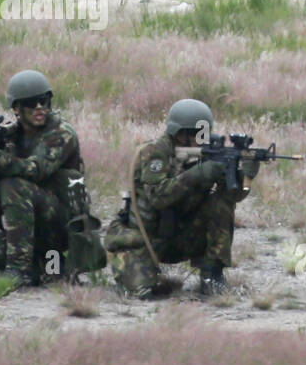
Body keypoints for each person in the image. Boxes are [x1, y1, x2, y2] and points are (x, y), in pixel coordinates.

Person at [0, 70, 103, 287]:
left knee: (14, 185)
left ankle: (19, 270)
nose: (39, 108)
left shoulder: (61, 133)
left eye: (44, 101)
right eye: (31, 103)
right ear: (16, 108)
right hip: (24, 230)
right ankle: (40, 266)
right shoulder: (10, 136)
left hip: (60, 226)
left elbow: (36, 169)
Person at [105, 99, 259, 298]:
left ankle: (212, 276)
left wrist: (245, 176)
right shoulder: (154, 153)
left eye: (205, 132)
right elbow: (158, 198)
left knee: (219, 204)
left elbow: (231, 197)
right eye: (198, 133)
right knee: (143, 294)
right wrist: (199, 174)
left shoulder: (207, 155)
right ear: (181, 133)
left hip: (183, 236)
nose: (204, 138)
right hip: (146, 240)